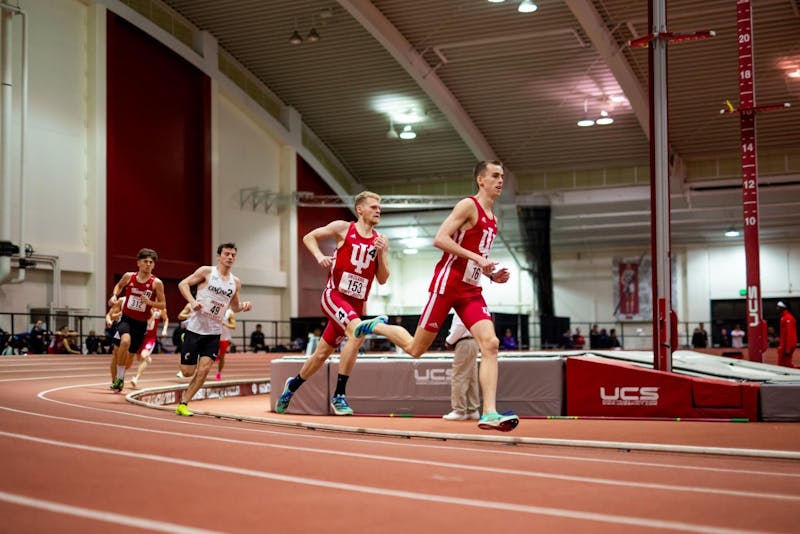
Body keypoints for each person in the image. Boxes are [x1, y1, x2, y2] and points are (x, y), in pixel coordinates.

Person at [354, 161, 519, 432]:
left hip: (471, 290)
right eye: (495, 176)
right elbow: (440, 238)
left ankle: (489, 412)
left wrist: (490, 274)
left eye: (503, 176)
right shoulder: (468, 206)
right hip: (446, 285)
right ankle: (376, 325)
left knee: (490, 344)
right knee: (416, 349)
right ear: (481, 180)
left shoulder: (493, 218)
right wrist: (478, 257)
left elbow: (477, 255)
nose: (501, 181)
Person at [274, 191, 390, 416]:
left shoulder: (380, 240)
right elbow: (309, 237)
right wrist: (319, 256)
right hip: (335, 296)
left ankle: (292, 387)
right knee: (357, 334)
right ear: (360, 210)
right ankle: (339, 396)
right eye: (374, 207)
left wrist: (383, 253)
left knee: (320, 355)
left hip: (356, 305)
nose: (378, 210)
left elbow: (383, 279)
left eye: (379, 207)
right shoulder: (343, 228)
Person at [174, 242, 252, 416]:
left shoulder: (235, 282)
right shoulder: (206, 272)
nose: (230, 257)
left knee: (204, 370)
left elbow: (236, 307)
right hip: (195, 329)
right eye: (227, 254)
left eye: (233, 255)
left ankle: (184, 403)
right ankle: (183, 340)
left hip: (214, 333)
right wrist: (192, 302)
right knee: (187, 372)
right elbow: (183, 284)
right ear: (219, 256)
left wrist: (244, 306)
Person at [107, 248, 166, 392]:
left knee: (129, 358)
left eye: (151, 262)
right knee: (123, 343)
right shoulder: (129, 277)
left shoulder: (156, 283)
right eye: (145, 261)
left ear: (154, 265)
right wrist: (114, 295)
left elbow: (163, 304)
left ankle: (121, 374)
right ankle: (119, 379)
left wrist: (150, 303)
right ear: (138, 263)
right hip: (126, 319)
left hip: (141, 324)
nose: (148, 264)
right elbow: (119, 286)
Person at [442, 313, 480, 421]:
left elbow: (460, 327)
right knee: (471, 377)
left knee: (458, 376)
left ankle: (459, 410)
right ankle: (472, 410)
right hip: (473, 341)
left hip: (464, 342)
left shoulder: (461, 307)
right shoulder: (472, 305)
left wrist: (449, 341)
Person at [130, 307, 169, 388]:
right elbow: (147, 322)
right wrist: (152, 316)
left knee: (143, 356)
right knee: (139, 358)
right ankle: (148, 359)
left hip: (150, 338)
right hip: (140, 336)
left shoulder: (160, 310)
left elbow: (166, 319)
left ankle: (136, 378)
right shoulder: (142, 308)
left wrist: (164, 330)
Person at [216, 308, 235, 380]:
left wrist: (225, 324)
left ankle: (218, 373)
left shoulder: (230, 313)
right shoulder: (216, 309)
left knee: (222, 357)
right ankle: (216, 355)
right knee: (211, 353)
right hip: (215, 336)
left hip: (225, 338)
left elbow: (233, 326)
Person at [776, 301, 797, 368]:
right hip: (784, 345)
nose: (777, 308)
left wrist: (788, 348)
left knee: (786, 365)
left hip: (787, 345)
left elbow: (790, 334)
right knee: (783, 365)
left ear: (783, 308)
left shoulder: (788, 318)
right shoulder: (783, 317)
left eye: (778, 307)